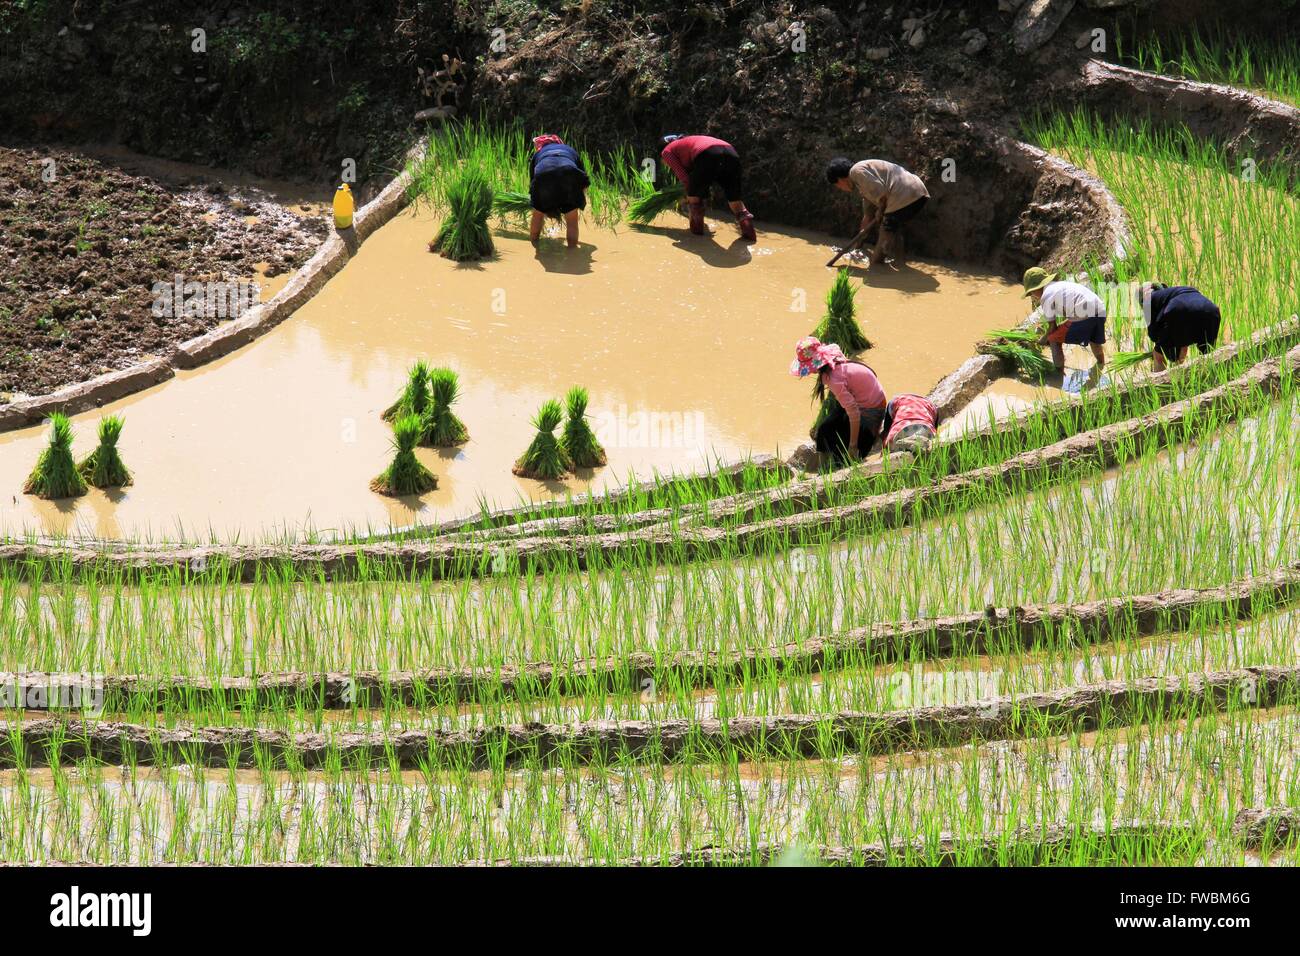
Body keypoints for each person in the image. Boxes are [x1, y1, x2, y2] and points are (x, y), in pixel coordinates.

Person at [790, 335, 887, 462]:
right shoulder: (835, 357)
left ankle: (836, 462)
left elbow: (854, 413)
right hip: (871, 398)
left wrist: (853, 446)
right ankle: (824, 465)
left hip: (871, 410)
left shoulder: (833, 379)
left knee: (843, 455)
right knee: (824, 430)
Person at [826, 157, 929, 267]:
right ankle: (900, 263)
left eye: (838, 186)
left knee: (883, 238)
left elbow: (882, 193)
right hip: (918, 194)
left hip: (903, 194)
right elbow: (867, 217)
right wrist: (857, 247)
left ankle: (877, 266)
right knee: (894, 229)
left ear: (840, 179)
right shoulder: (864, 184)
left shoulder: (856, 171)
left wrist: (880, 210)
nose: (841, 189)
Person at [659, 134, 757, 241]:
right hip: (731, 153)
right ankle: (749, 236)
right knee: (735, 201)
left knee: (694, 201)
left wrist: (688, 194)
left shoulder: (666, 152)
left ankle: (698, 239)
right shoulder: (688, 142)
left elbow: (685, 178)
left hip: (707, 154)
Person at [1023, 267, 1107, 374]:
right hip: (1100, 310)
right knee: (1094, 340)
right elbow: (1066, 321)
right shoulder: (1060, 285)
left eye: (1031, 293)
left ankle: (1058, 375)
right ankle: (1101, 364)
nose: (1033, 296)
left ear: (1035, 289)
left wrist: (1043, 340)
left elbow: (1052, 328)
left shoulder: (1046, 296)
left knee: (1054, 339)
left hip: (1084, 316)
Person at [1140, 283, 1222, 371]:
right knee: (1208, 355)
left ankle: (1158, 382)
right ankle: (1210, 377)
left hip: (1179, 310)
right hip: (1212, 311)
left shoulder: (1147, 300)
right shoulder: (1175, 291)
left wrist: (1162, 347)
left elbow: (1153, 334)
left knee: (1158, 354)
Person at [528, 134, 591, 248]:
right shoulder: (570, 150)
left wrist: (543, 206)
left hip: (544, 172)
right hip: (569, 172)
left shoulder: (538, 154)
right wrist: (576, 200)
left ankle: (534, 243)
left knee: (537, 213)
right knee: (572, 219)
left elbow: (533, 185)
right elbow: (583, 180)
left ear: (540, 146)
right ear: (559, 143)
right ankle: (572, 252)